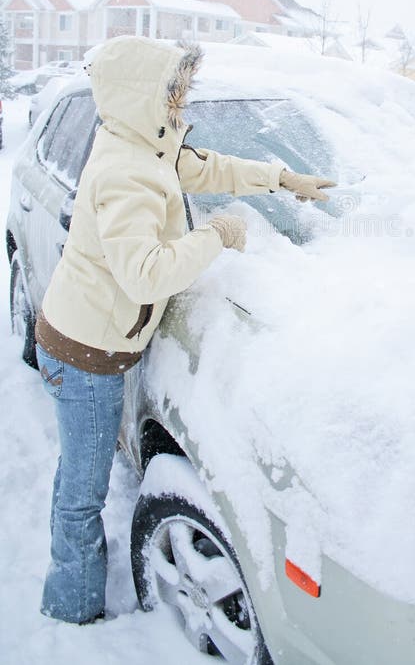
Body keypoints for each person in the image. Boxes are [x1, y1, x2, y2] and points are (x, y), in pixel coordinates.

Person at [35, 35, 335, 624]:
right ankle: (70, 610)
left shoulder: (138, 138)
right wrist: (215, 236)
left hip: (86, 333)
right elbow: (145, 275)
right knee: (82, 492)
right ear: (142, 96)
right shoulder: (125, 172)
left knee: (78, 477)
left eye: (182, 92)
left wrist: (280, 178)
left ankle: (71, 588)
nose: (182, 107)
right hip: (86, 354)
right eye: (173, 94)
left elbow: (202, 166)